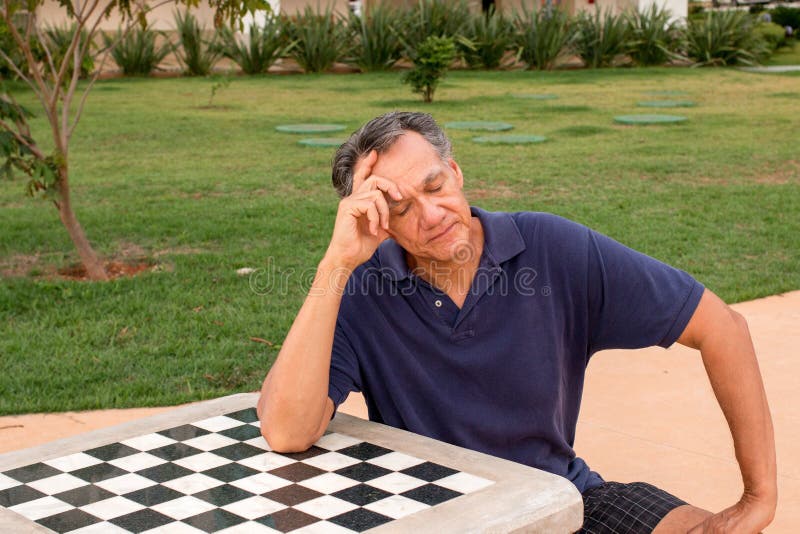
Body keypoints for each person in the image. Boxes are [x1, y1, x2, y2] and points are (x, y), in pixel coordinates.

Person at [257, 112, 776, 533]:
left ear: (456, 173)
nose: (432, 214)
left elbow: (722, 327)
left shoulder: (552, 248)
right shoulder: (359, 288)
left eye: (435, 186)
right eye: (401, 208)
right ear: (379, 224)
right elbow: (286, 431)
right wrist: (335, 265)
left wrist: (758, 498)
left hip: (563, 499)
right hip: (429, 517)